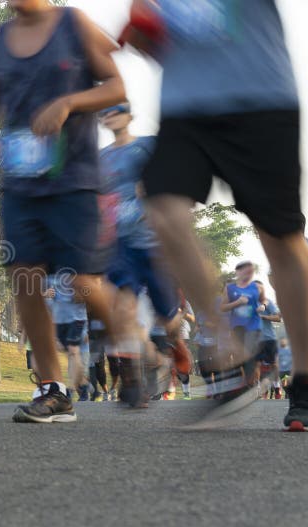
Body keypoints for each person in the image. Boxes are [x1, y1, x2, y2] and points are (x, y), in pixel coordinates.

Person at [126, 0, 308, 430]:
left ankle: (307, 379)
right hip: (184, 107)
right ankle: (229, 353)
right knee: (162, 210)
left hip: (261, 98)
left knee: (280, 238)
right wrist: (149, 31)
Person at [0, 0, 125, 423]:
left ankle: (126, 345)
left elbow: (116, 87)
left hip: (75, 178)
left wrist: (68, 102)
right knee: (24, 276)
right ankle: (53, 390)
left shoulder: (74, 23)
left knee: (82, 283)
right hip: (21, 180)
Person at [99, 102, 182, 407]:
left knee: (168, 318)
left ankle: (171, 349)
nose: (110, 115)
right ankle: (132, 384)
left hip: (154, 243)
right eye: (105, 112)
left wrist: (155, 186)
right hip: (120, 244)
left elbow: (175, 170)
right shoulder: (101, 158)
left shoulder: (147, 145)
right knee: (123, 310)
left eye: (116, 110)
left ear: (130, 116)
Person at [46, 273, 91, 402]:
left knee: (73, 351)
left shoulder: (78, 271)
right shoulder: (51, 276)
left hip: (78, 320)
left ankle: (70, 390)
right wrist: (46, 296)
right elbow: (49, 305)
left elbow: (91, 297)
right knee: (71, 357)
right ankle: (84, 385)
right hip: (61, 322)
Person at [258, 298, 282, 399]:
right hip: (254, 340)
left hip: (269, 338)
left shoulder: (267, 301)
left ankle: (277, 387)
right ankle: (262, 389)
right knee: (257, 365)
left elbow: (278, 318)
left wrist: (264, 317)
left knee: (274, 365)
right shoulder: (248, 301)